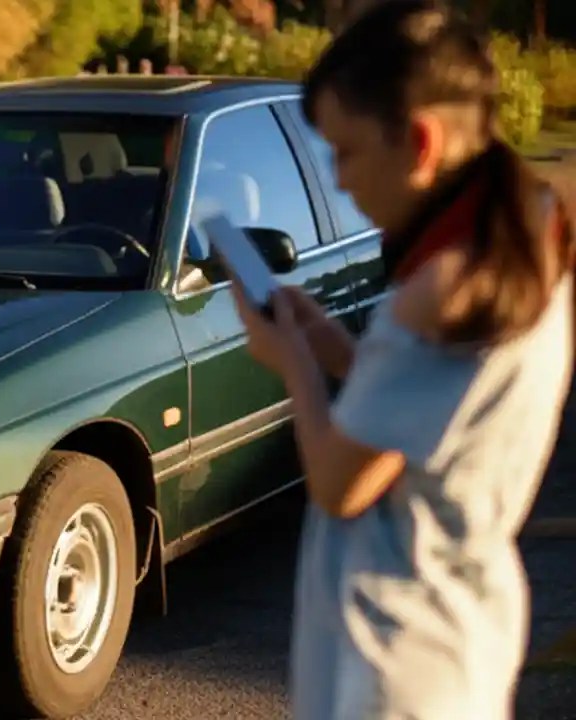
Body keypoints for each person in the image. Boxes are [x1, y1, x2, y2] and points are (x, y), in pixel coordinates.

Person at [225, 1, 576, 717]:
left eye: (347, 152)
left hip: (394, 663)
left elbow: (338, 483)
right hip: (459, 625)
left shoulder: (438, 293)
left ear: (418, 142)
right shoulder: (522, 243)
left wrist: (290, 360)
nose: (340, 181)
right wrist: (331, 347)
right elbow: (421, 417)